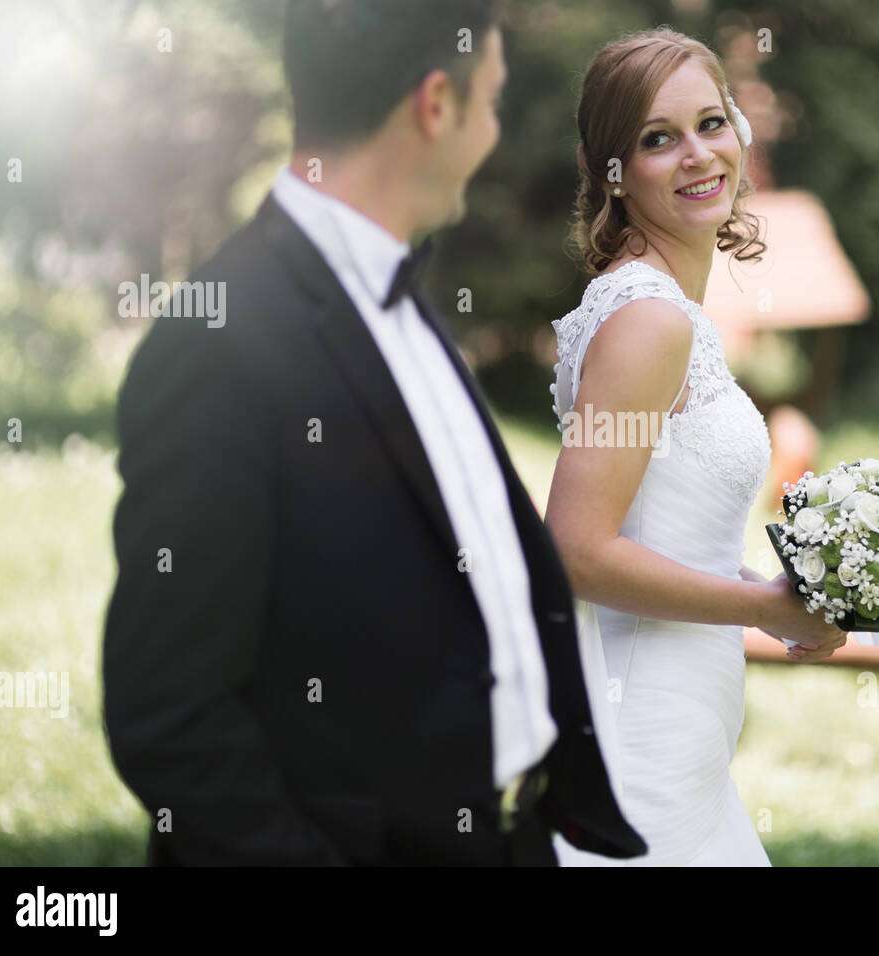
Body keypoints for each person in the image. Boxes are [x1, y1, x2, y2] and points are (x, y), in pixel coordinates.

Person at [102, 0, 644, 866]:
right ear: (436, 105)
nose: (495, 131)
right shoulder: (217, 344)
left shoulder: (395, 291)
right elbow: (167, 715)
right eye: (493, 101)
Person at [545, 27, 848, 866]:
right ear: (615, 170)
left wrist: (775, 592)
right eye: (656, 138)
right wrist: (767, 609)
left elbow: (653, 531)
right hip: (643, 736)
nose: (696, 154)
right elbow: (575, 550)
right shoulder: (648, 321)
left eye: (711, 123)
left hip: (687, 729)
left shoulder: (657, 307)